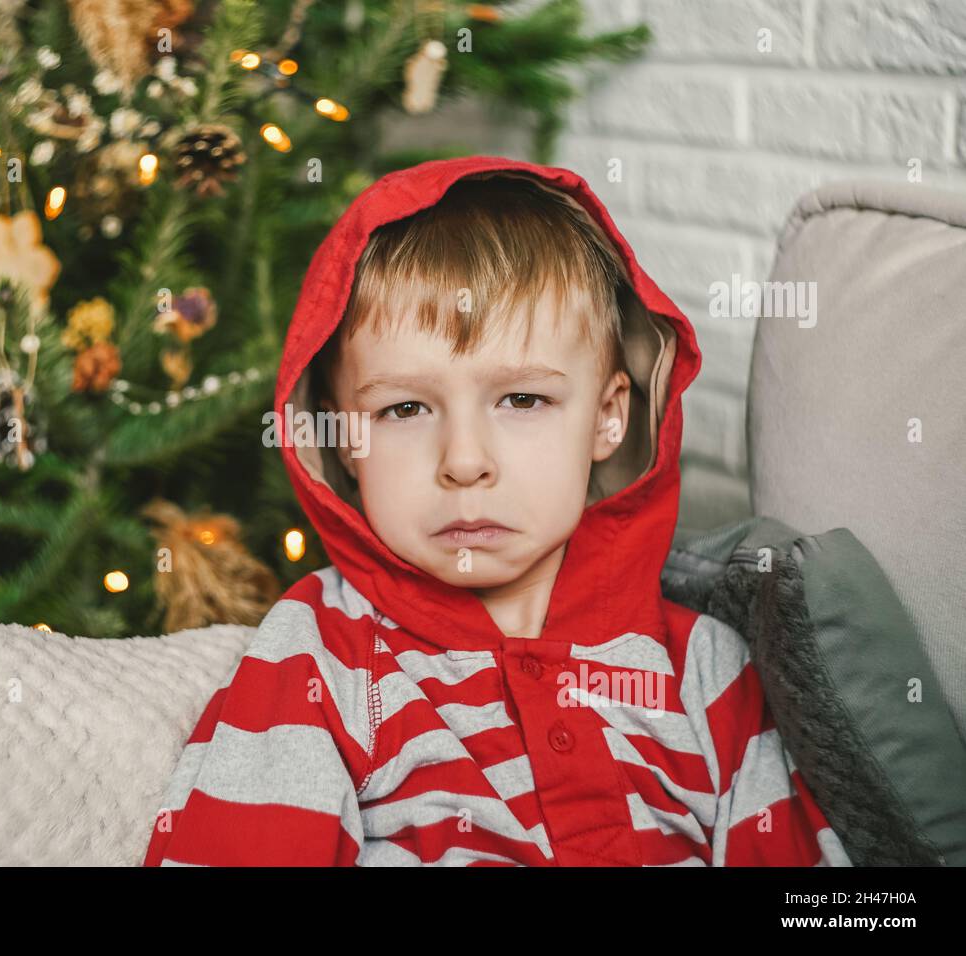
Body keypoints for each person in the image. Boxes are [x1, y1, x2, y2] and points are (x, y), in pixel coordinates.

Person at [142, 156, 851, 867]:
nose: (465, 460)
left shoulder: (704, 667)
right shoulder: (321, 657)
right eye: (405, 408)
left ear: (607, 417)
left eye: (522, 400)